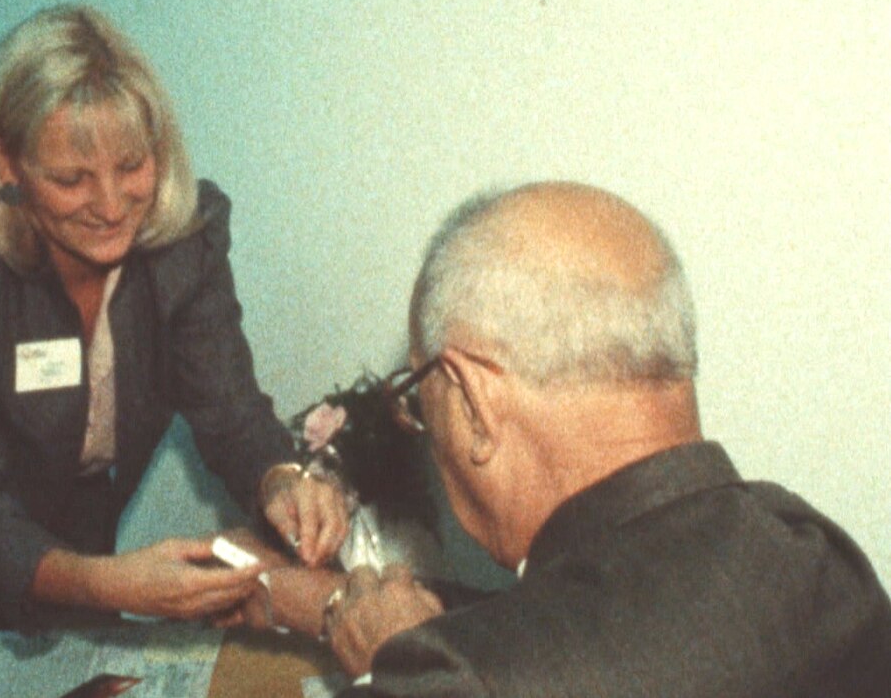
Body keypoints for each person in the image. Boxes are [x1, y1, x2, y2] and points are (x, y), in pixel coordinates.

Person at [0, 4, 347, 641]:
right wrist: (107, 584)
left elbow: (231, 411)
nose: (110, 205)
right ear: (7, 163)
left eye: (131, 167)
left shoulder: (185, 243)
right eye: (71, 178)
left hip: (86, 557)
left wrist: (282, 478)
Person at [318, 182, 891, 696]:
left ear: (473, 402)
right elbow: (620, 618)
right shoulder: (820, 556)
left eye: (420, 399)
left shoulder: (462, 681)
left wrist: (393, 667)